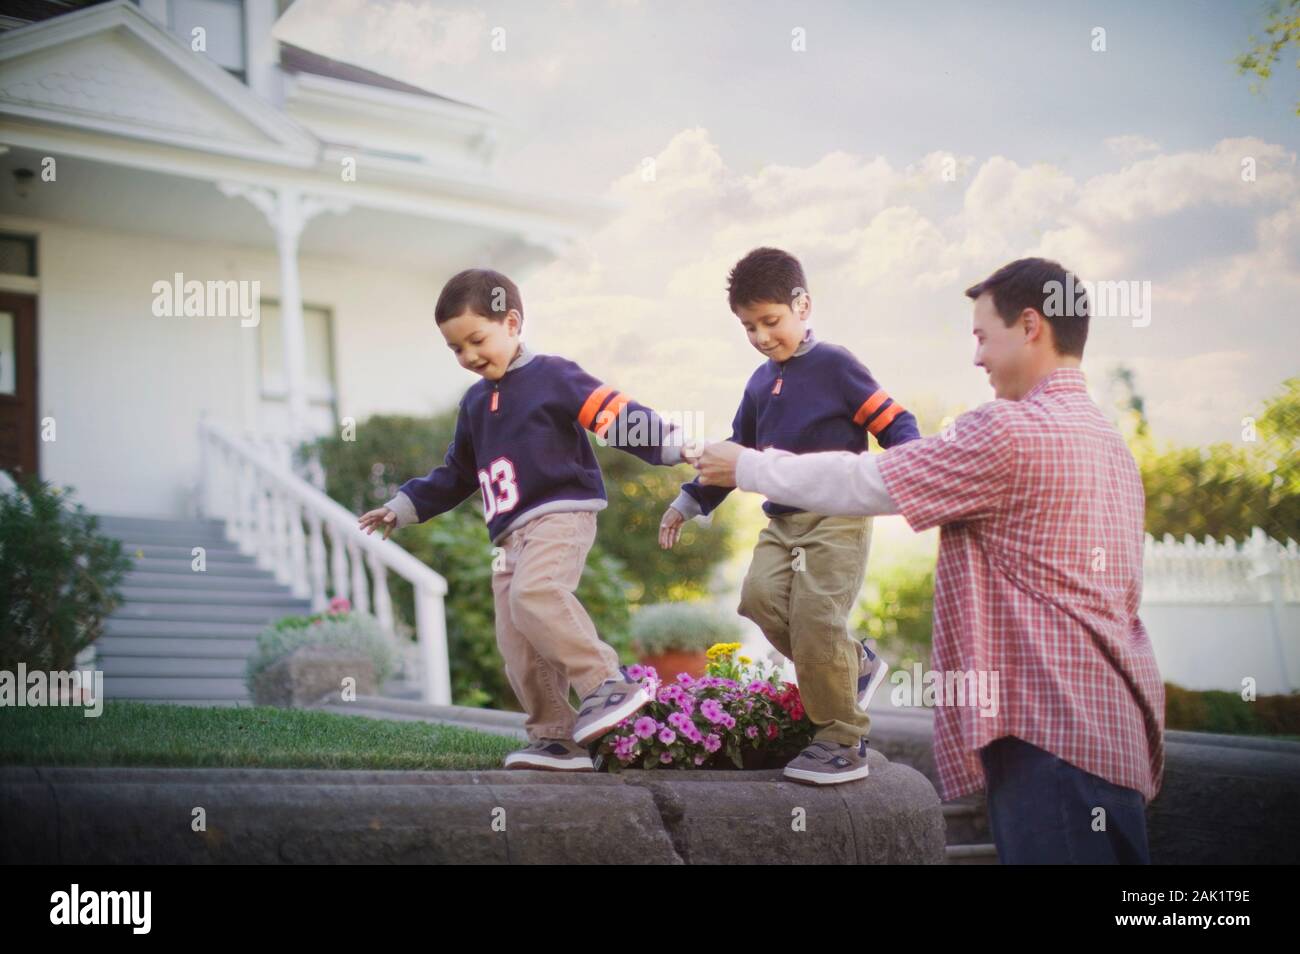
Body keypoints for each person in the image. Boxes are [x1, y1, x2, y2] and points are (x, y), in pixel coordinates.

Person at [695, 257, 1165, 862]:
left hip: (1048, 734)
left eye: (982, 337)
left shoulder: (1011, 431)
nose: (977, 358)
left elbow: (869, 481)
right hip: (1116, 734)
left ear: (1030, 326)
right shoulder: (1110, 443)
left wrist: (748, 466)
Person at [359, 268, 693, 771]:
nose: (468, 356)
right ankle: (555, 736)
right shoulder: (475, 404)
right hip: (508, 537)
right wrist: (404, 506)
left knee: (537, 594)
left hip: (560, 514)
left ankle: (607, 683)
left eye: (477, 340)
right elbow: (457, 473)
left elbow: (611, 413)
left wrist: (670, 444)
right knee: (515, 634)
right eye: (456, 349)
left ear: (512, 323)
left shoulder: (552, 376)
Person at [660, 247, 919, 785]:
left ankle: (842, 739)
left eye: (770, 321)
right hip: (782, 522)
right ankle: (853, 663)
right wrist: (690, 500)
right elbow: (737, 450)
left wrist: (911, 467)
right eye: (748, 327)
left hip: (838, 518)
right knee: (757, 599)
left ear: (803, 306)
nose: (760, 336)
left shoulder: (836, 366)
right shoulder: (759, 383)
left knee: (816, 619)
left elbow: (896, 422)